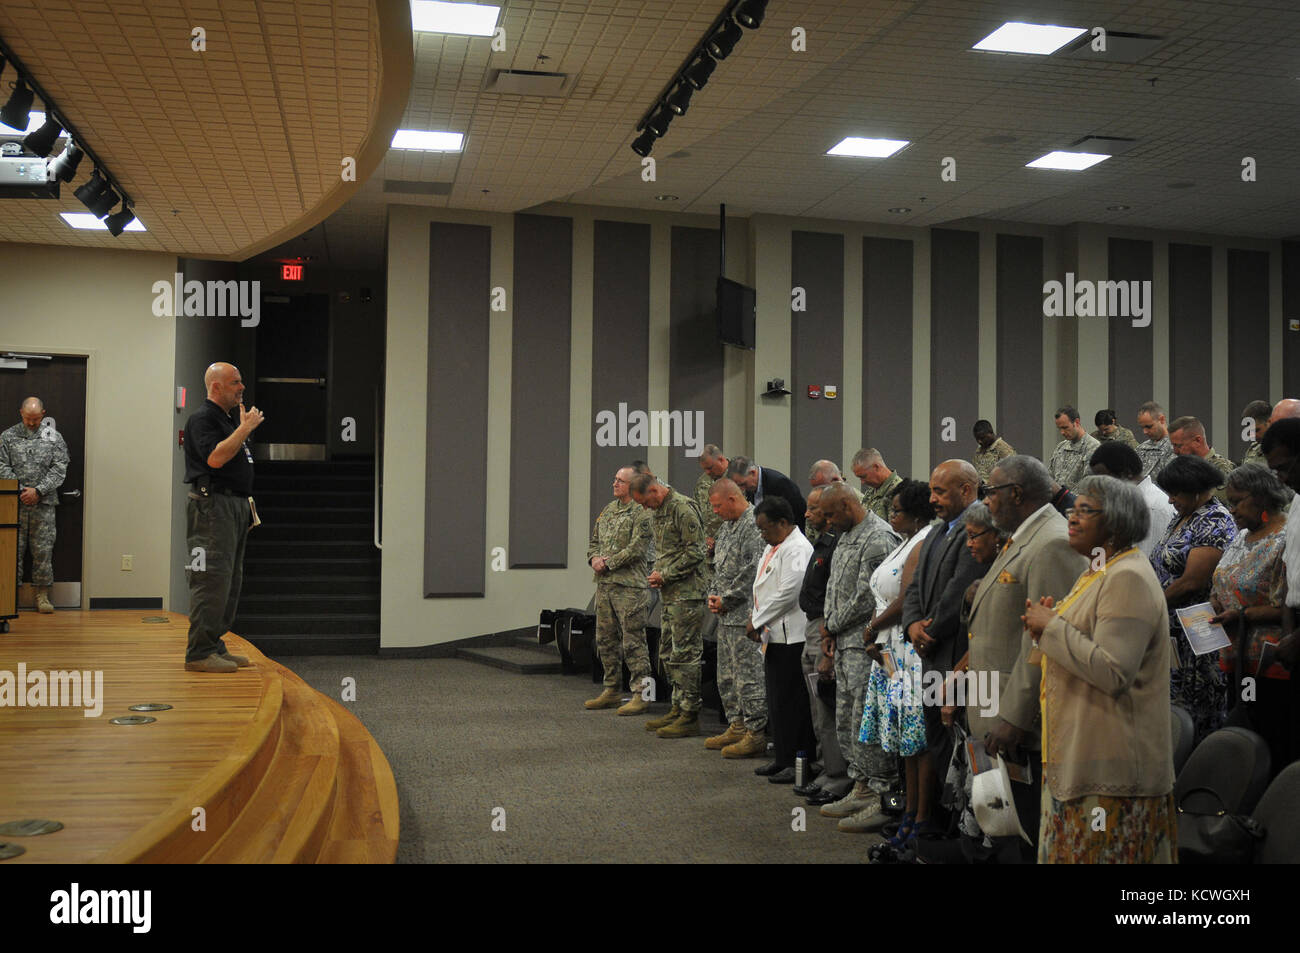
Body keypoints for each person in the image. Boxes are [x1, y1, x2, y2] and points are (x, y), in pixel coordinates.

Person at [1024, 475, 1175, 864]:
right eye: (1073, 510)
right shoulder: (1097, 571)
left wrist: (1052, 627)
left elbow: (1113, 672)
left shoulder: (1127, 578)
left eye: (1085, 511)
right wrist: (1045, 628)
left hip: (1113, 770)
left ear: (1117, 522)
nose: (1072, 518)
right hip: (1080, 752)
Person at [968, 456, 1088, 862]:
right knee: (1009, 829)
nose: (988, 501)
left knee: (1032, 836)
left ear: (1015, 493)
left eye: (991, 492)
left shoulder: (1051, 541)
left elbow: (1041, 642)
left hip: (1022, 720)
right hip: (993, 702)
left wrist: (1016, 717)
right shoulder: (1023, 536)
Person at [899, 460, 987, 835]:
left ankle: (957, 829)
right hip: (931, 655)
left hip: (958, 658)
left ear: (967, 491)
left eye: (940, 491)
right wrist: (912, 624)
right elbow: (916, 586)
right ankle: (933, 825)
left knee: (960, 744)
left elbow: (958, 593)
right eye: (932, 491)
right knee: (936, 738)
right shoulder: (935, 533)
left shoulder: (977, 529)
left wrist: (928, 629)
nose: (932, 499)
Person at [856, 479, 934, 837]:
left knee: (916, 741)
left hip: (908, 653)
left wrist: (872, 627)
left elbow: (906, 600)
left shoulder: (922, 542)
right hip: (890, 651)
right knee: (903, 738)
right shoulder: (905, 542)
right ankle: (907, 812)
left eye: (897, 510)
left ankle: (919, 818)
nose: (891, 515)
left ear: (916, 514)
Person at [817, 483, 900, 813]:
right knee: (848, 719)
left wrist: (834, 623)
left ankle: (880, 792)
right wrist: (829, 626)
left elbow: (868, 595)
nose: (826, 522)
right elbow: (835, 584)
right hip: (844, 645)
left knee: (868, 718)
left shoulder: (878, 537)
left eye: (829, 514)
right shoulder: (848, 534)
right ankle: (860, 783)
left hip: (867, 646)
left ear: (847, 507)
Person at [1209, 465, 1291, 773]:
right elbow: (1224, 580)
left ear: (1261, 498)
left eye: (1238, 501)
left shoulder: (1285, 539)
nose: (1232, 509)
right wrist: (1216, 599)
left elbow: (1289, 606)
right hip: (1235, 657)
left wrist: (1243, 614)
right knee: (1243, 742)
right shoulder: (1242, 535)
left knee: (1270, 743)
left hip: (1268, 666)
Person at [182, 363, 263, 672]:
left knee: (229, 581)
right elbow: (214, 459)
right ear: (216, 387)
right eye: (235, 382)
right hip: (213, 509)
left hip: (234, 507)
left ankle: (214, 644)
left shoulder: (225, 420)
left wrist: (239, 427)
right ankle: (199, 653)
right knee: (211, 578)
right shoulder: (202, 419)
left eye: (241, 381)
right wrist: (244, 429)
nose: (241, 387)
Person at [1151, 455, 1238, 741]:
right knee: (1173, 705)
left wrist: (1151, 607)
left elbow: (1192, 582)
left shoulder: (1214, 520)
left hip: (1197, 629)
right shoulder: (1183, 516)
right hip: (1172, 628)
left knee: (1198, 706)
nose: (1171, 500)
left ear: (1197, 489)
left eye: (1176, 493)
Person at [630, 473, 707, 738]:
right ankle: (677, 706)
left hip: (687, 593)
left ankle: (690, 714)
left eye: (644, 502)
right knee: (668, 654)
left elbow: (697, 551)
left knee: (685, 655)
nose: (644, 508)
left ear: (654, 489)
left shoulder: (682, 508)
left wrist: (667, 573)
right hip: (669, 593)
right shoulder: (659, 511)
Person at [749, 496, 816, 782]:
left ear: (784, 523)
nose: (762, 535)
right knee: (777, 701)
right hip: (774, 635)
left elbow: (790, 592)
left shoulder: (798, 548)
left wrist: (756, 621)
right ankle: (782, 757)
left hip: (793, 636)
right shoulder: (775, 546)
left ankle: (798, 762)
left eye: (765, 528)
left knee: (793, 702)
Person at [794, 487, 851, 804]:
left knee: (827, 708)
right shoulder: (822, 543)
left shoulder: (836, 545)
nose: (807, 514)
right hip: (812, 625)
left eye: (813, 509)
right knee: (818, 709)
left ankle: (837, 775)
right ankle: (825, 766)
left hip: (824, 628)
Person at [705, 478, 768, 756]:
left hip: (744, 616)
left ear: (732, 499)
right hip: (725, 616)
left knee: (748, 678)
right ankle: (737, 725)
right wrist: (713, 595)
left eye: (718, 506)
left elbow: (753, 569)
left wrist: (727, 598)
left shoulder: (754, 525)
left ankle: (755, 732)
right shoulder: (727, 527)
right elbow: (718, 567)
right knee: (727, 677)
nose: (715, 512)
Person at [584, 466, 653, 715]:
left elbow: (637, 548)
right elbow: (594, 542)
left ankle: (643, 695)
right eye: (614, 479)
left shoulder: (642, 512)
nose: (614, 484)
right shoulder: (608, 510)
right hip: (605, 586)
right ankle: (612, 689)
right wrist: (593, 559)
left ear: (632, 485)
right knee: (605, 641)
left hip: (630, 587)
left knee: (634, 643)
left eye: (620, 481)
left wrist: (608, 562)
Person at [0, 397, 68, 613]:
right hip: (14, 504)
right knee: (11, 551)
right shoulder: (8, 437)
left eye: (36, 419)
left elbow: (60, 467)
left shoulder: (53, 438)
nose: (31, 423)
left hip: (44, 504)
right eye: (28, 418)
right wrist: (21, 489)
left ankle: (42, 596)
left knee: (43, 551)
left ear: (43, 414)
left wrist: (38, 490)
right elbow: (1, 465)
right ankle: (10, 596)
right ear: (21, 412)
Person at [1262, 418, 1300, 763]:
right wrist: (1288, 633)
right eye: (1276, 472)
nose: (1283, 479)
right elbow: (1291, 570)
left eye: (1286, 468)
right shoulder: (1297, 503)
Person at [1089, 441, 1175, 559]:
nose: (1101, 487)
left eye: (1105, 480)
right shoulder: (1124, 503)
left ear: (1126, 473)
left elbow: (1146, 565)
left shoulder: (1151, 508)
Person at [727, 455, 806, 531]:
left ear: (753, 473)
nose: (742, 489)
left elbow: (797, 516)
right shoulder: (750, 487)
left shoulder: (780, 483)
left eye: (743, 484)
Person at [1169, 415, 1236, 503]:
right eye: (1173, 445)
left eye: (1179, 446)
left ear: (1197, 441)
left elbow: (1214, 505)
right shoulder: (1185, 470)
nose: (1175, 451)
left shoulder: (1220, 470)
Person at [1048, 406, 1101, 491]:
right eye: (1059, 428)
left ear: (1076, 422)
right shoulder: (1061, 447)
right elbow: (1050, 478)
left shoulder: (1093, 447)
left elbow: (1089, 486)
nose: (1062, 432)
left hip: (1077, 502)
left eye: (1065, 427)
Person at [694, 444, 728, 577]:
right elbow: (696, 512)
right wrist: (704, 537)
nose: (707, 472)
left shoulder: (737, 477)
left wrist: (719, 540)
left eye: (710, 468)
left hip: (730, 550)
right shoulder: (702, 481)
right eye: (704, 469)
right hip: (708, 554)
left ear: (721, 459)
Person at [851, 447, 903, 523]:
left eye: (864, 476)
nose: (862, 482)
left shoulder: (898, 491)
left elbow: (896, 531)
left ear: (876, 467)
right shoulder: (872, 490)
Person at [1135, 400, 1176, 482]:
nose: (1145, 432)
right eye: (1142, 427)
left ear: (1162, 419)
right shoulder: (1141, 448)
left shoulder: (1176, 446)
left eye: (1149, 426)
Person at [971, 420, 1015, 486]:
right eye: (977, 439)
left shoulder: (1004, 449)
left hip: (996, 490)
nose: (979, 441)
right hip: (980, 491)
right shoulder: (978, 451)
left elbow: (1012, 474)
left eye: (982, 438)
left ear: (991, 433)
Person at [1241, 400, 1273, 468]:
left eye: (1256, 430)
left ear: (1270, 423)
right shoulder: (1253, 449)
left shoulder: (1286, 451)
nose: (1252, 436)